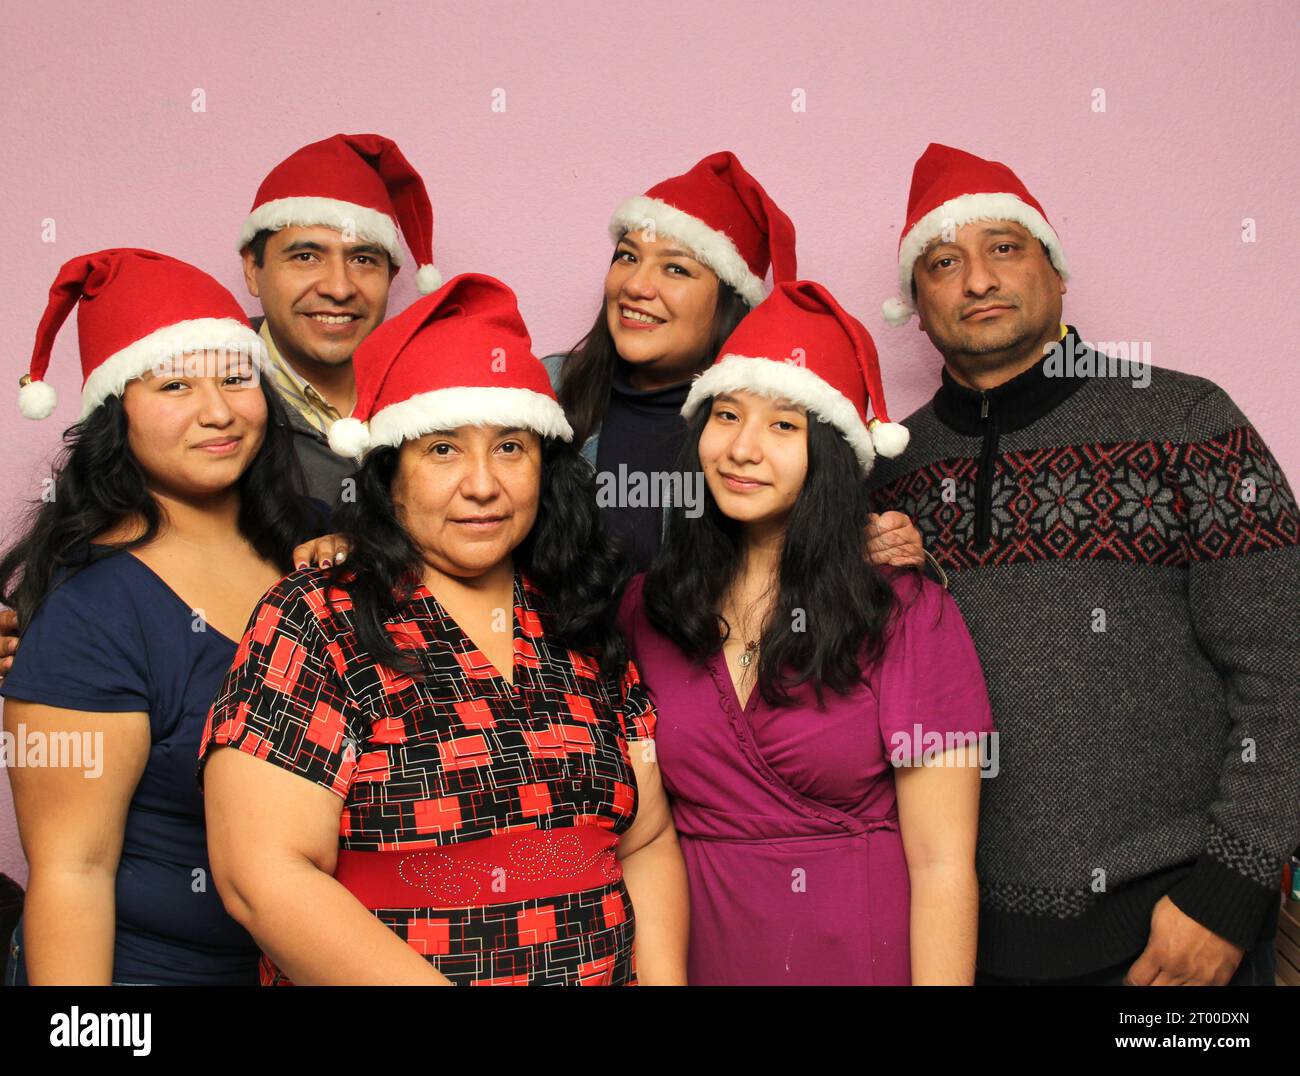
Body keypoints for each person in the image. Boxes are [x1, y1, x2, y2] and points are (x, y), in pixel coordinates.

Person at [868, 143, 1300, 985]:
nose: (979, 281)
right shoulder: (890, 470)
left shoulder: (1187, 420)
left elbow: (1286, 664)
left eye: (1005, 248)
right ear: (915, 307)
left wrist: (1232, 891)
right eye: (944, 263)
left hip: (1175, 934)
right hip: (961, 947)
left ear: (1056, 272)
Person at [200, 273, 688, 986]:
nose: (483, 484)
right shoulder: (317, 619)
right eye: (442, 450)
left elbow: (646, 842)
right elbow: (262, 875)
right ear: (389, 473)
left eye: (511, 448)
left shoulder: (576, 620)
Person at [620, 279, 994, 985]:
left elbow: (943, 863)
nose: (742, 449)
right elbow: (634, 833)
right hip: (696, 952)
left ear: (831, 454)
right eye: (726, 415)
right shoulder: (648, 609)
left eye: (784, 426)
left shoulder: (908, 612)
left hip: (859, 949)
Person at [1, 249, 322, 985]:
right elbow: (72, 872)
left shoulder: (315, 536)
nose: (218, 411)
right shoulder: (89, 612)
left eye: (236, 378)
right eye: (175, 383)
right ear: (117, 413)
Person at [542, 151, 923, 574]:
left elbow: (818, 545)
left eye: (675, 269)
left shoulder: (765, 426)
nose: (635, 285)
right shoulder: (543, 391)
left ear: (731, 303)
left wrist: (871, 546)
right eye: (628, 257)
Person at [238, 132, 443, 508]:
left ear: (391, 277)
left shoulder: (441, 395)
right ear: (253, 268)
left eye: (363, 259)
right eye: (306, 257)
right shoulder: (209, 402)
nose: (338, 287)